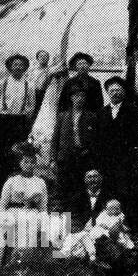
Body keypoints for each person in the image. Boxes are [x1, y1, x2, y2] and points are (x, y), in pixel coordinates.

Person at [0, 143, 49, 267]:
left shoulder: (40, 183)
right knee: (3, 233)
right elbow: (2, 206)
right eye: (25, 162)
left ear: (35, 163)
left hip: (32, 214)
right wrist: (5, 219)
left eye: (32, 162)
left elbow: (43, 208)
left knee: (28, 236)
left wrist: (44, 224)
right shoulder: (12, 181)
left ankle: (19, 266)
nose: (29, 165)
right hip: (13, 213)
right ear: (20, 163)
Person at [95, 75, 138, 206]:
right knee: (108, 190)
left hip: (126, 159)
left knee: (125, 191)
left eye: (118, 90)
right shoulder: (101, 113)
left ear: (123, 91)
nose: (115, 93)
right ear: (108, 93)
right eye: (112, 91)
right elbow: (97, 137)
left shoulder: (133, 111)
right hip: (107, 159)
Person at [0, 52, 35, 193]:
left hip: (20, 122)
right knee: (0, 155)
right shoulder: (1, 83)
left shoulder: (29, 85)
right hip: (3, 121)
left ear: (24, 68)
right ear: (10, 67)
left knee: (18, 155)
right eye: (15, 64)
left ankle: (17, 191)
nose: (18, 67)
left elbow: (32, 105)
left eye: (21, 65)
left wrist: (26, 122)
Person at [53, 84, 98, 216]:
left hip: (83, 155)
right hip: (66, 155)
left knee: (80, 183)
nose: (79, 99)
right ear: (72, 98)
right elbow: (55, 138)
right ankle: (61, 210)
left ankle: (77, 211)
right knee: (63, 182)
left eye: (82, 96)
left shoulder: (91, 116)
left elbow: (95, 139)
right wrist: (52, 158)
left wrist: (88, 151)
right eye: (77, 96)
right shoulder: (63, 116)